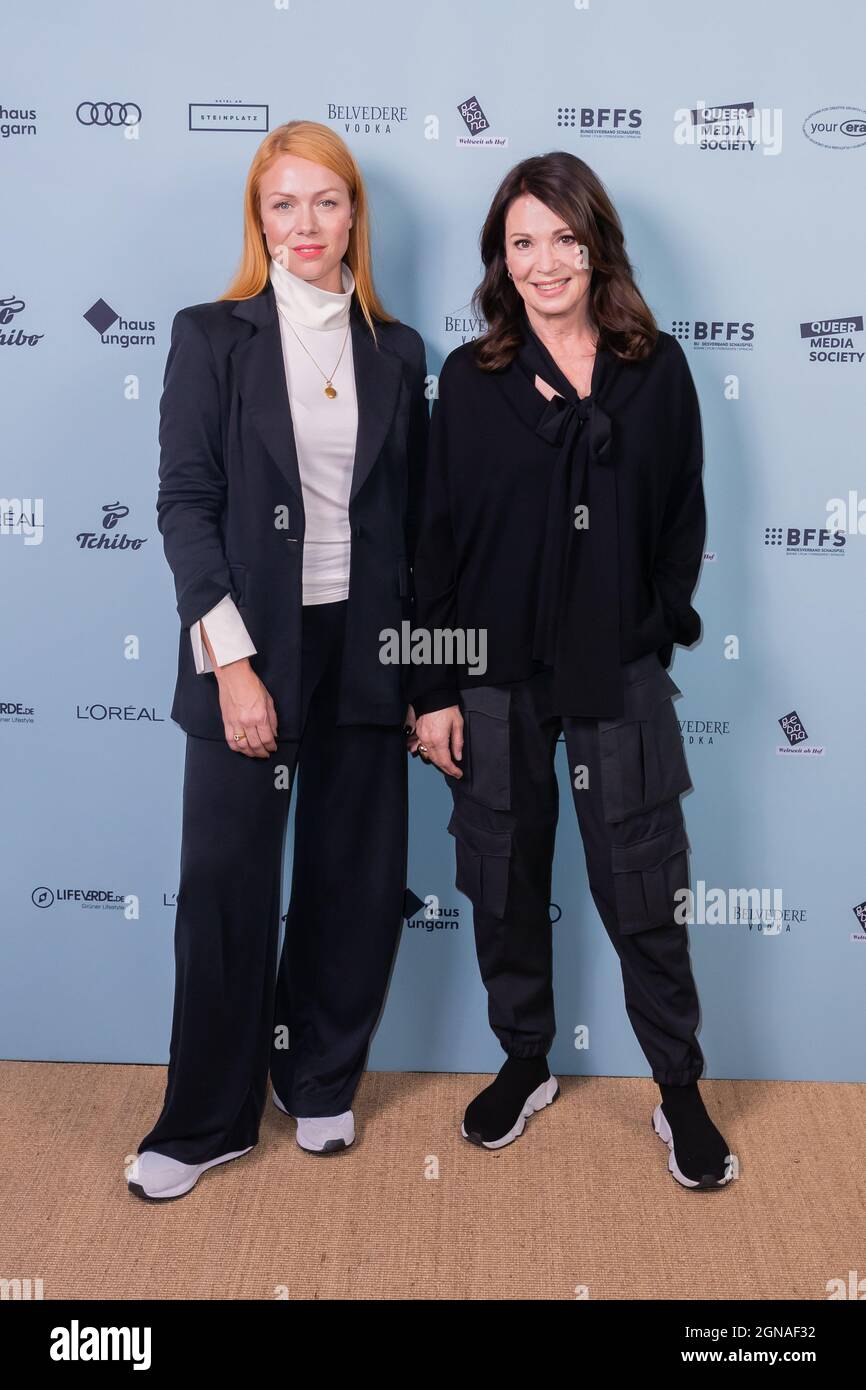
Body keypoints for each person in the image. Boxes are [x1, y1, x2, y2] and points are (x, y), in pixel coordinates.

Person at [410, 151, 734, 1190]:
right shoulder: (469, 381)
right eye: (521, 242)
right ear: (499, 262)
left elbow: (682, 516)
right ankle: (524, 1059)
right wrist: (429, 688)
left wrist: (651, 626)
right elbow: (434, 543)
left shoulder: (655, 368)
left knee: (643, 881)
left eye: (562, 237)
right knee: (499, 876)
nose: (543, 261)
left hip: (613, 669)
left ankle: (676, 1090)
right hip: (492, 674)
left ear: (594, 246)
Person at [127, 120, 428, 1201]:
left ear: (354, 212)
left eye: (325, 201)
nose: (306, 225)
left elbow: (415, 530)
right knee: (225, 886)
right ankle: (206, 1118)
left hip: (364, 647)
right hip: (251, 647)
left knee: (354, 880)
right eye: (282, 206)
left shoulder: (398, 351)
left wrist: (424, 681)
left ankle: (315, 1078)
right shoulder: (211, 336)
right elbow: (185, 506)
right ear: (260, 223)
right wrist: (232, 663)